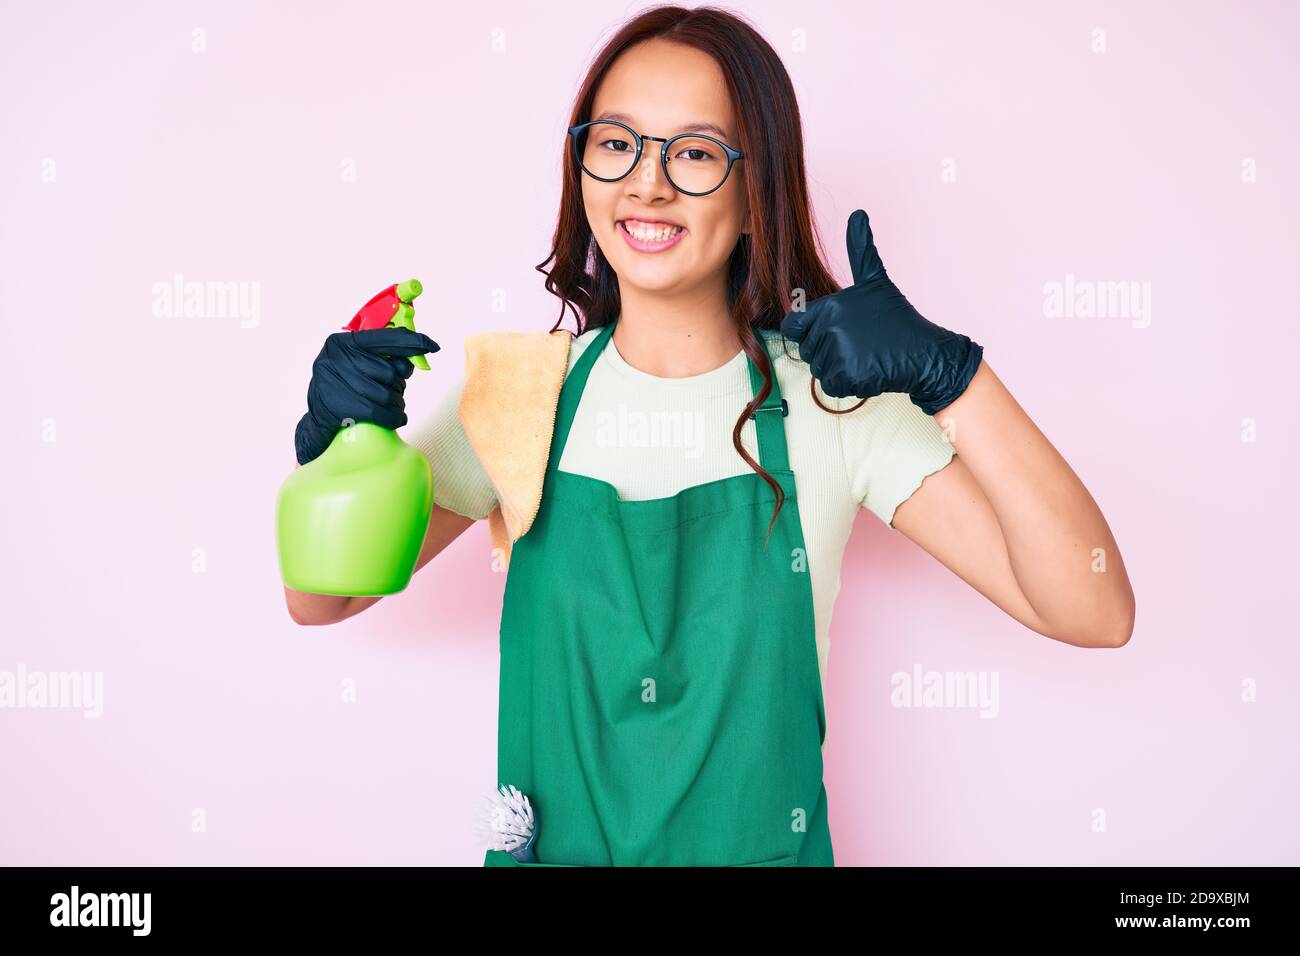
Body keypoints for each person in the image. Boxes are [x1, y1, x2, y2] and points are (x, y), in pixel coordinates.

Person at [281, 5, 1135, 867]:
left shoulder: (833, 407)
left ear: (757, 192)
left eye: (693, 153)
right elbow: (323, 601)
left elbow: (1092, 610)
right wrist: (337, 447)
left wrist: (957, 378)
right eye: (616, 143)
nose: (646, 184)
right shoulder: (516, 394)